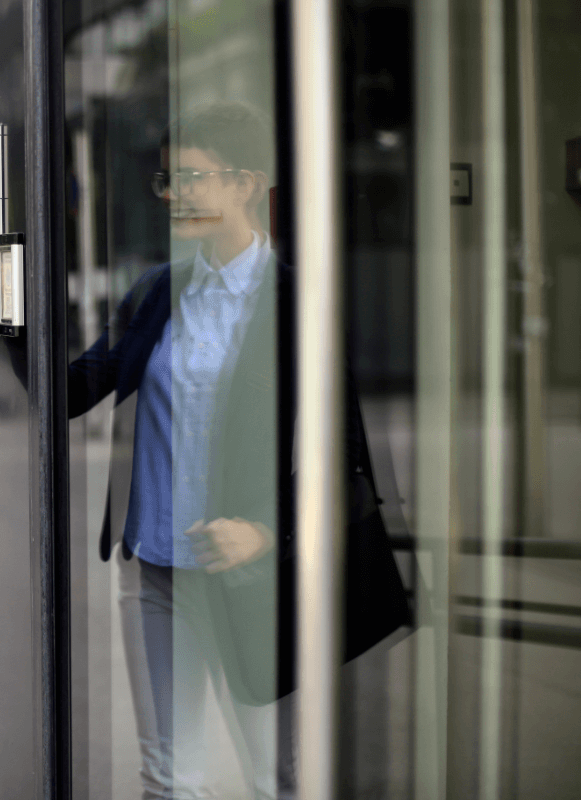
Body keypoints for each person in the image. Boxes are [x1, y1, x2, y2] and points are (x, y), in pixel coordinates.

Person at [66, 102, 409, 799]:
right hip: (155, 572)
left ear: (248, 184)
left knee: (274, 777)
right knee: (169, 777)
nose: (175, 194)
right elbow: (71, 391)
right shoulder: (154, 294)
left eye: (192, 177)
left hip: (253, 578)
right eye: (167, 180)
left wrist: (264, 528)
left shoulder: (299, 302)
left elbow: (343, 450)